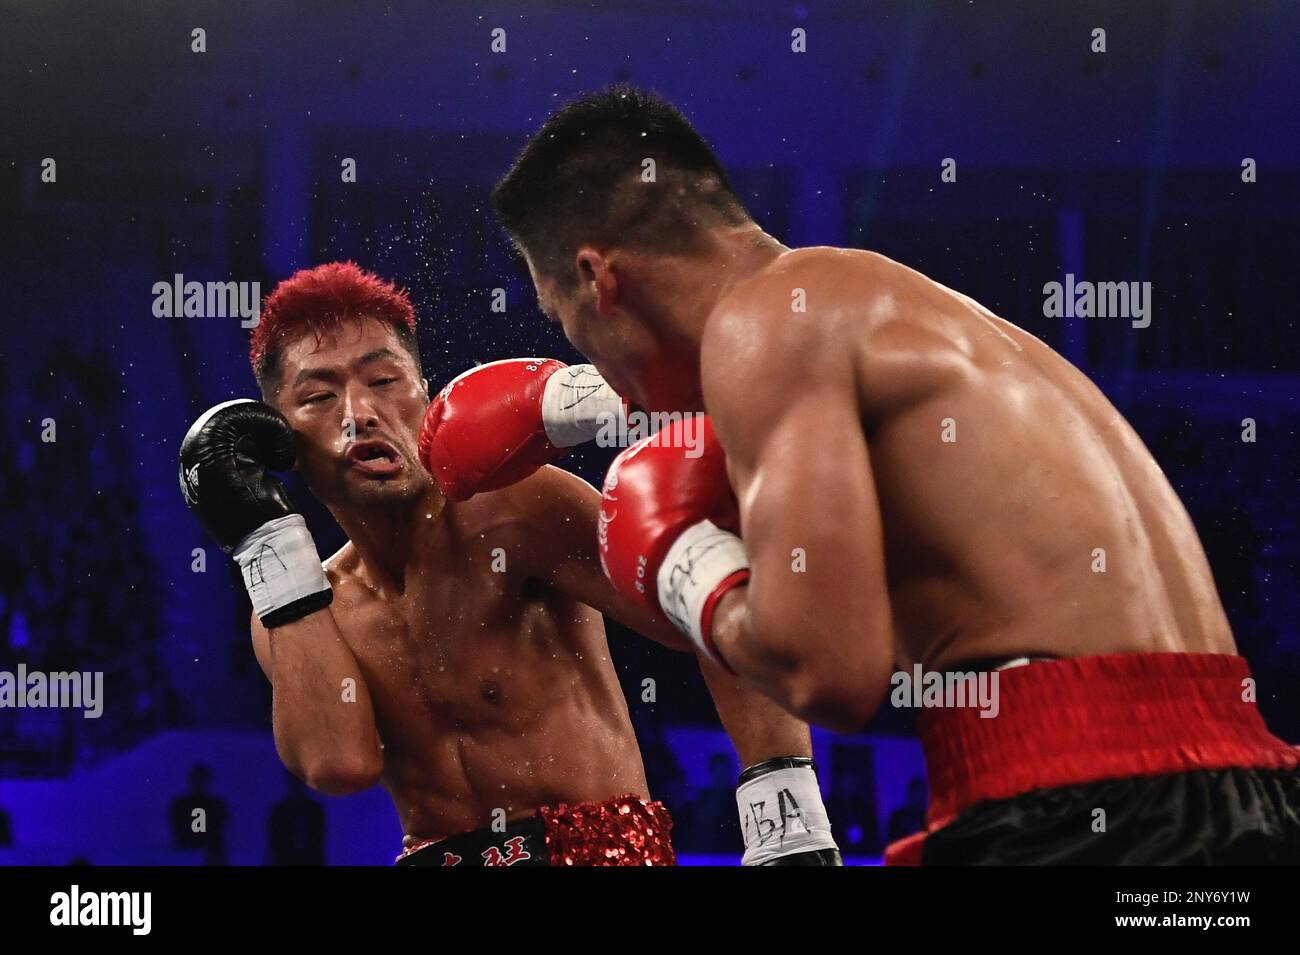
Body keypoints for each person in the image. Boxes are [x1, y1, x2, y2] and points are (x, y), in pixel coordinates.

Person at [488, 84, 1300, 864]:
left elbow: (827, 668)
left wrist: (684, 567)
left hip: (1078, 800)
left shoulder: (761, 328)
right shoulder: (896, 304)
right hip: (1243, 780)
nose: (611, 379)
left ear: (600, 279)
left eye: (568, 324)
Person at [178, 262, 839, 866]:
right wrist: (269, 542)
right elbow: (336, 763)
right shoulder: (299, 605)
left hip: (598, 851)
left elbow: (721, 609)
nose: (360, 414)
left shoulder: (513, 509)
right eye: (319, 398)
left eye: (384, 381)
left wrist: (787, 819)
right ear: (280, 441)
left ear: (425, 395)